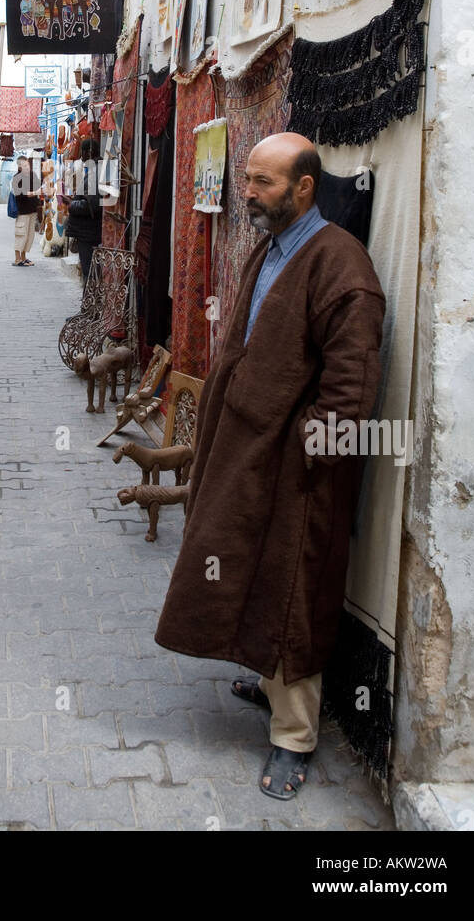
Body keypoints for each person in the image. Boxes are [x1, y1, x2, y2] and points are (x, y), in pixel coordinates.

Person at [154, 133, 386, 799]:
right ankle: (263, 679)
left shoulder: (343, 268)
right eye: (247, 179)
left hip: (297, 468)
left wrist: (308, 465)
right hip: (248, 452)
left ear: (304, 188)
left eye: (262, 182)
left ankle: (294, 739)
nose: (247, 193)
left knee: (292, 588)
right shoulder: (274, 245)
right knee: (242, 562)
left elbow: (351, 388)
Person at [62, 139, 102, 289]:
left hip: (88, 231)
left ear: (89, 152)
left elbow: (91, 205)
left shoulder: (95, 173)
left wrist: (72, 204)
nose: (81, 156)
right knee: (89, 271)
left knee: (89, 271)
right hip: (88, 230)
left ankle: (90, 308)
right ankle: (90, 307)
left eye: (83, 153)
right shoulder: (95, 170)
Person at [11, 154, 41, 266]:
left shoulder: (32, 175)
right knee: (21, 234)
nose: (27, 167)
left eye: (28, 164)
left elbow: (39, 186)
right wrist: (34, 193)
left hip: (32, 210)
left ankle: (24, 257)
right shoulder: (16, 178)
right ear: (19, 167)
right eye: (24, 165)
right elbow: (21, 194)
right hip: (22, 211)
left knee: (29, 235)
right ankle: (17, 259)